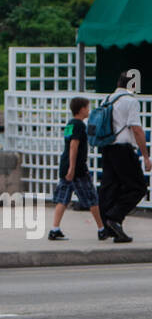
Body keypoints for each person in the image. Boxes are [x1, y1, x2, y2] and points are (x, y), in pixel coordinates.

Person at [98, 70, 152, 242]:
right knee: (138, 187)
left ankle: (106, 226)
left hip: (107, 148)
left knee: (110, 186)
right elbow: (136, 129)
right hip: (123, 149)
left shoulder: (106, 100)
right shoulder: (131, 102)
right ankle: (115, 218)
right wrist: (145, 155)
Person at [48, 98, 111, 242]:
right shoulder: (79, 125)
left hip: (66, 166)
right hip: (77, 169)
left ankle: (54, 229)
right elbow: (73, 146)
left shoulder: (70, 124)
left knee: (63, 198)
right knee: (92, 198)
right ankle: (102, 229)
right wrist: (72, 167)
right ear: (81, 109)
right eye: (87, 108)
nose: (89, 110)